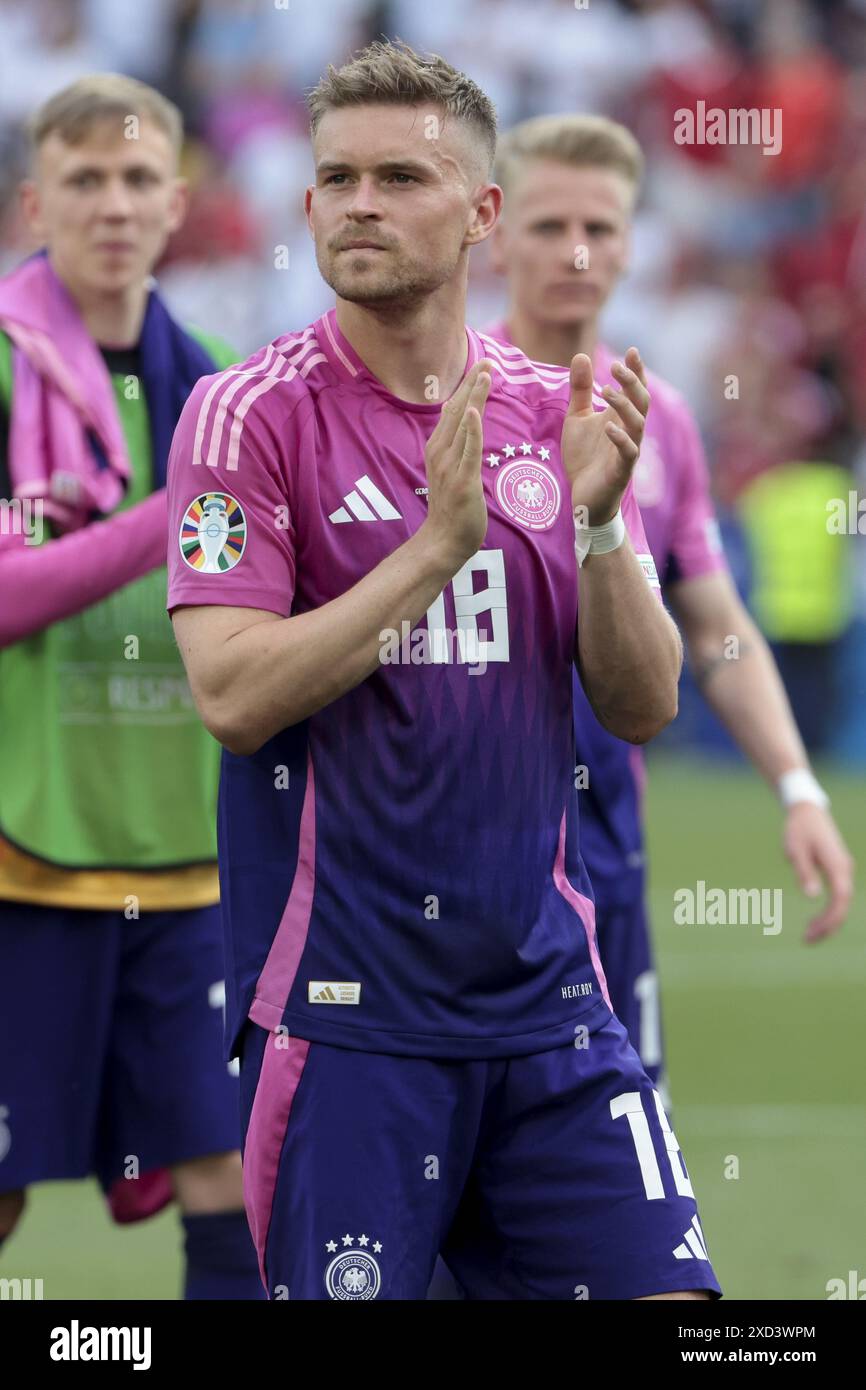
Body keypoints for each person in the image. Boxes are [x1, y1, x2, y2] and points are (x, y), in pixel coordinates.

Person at [167, 40, 720, 1301]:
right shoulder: (246, 416)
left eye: (399, 177)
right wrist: (434, 550)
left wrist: (593, 528)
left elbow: (642, 703)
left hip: (549, 1001)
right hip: (347, 1019)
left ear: (480, 215)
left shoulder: (553, 408)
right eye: (337, 178)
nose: (359, 202)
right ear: (305, 202)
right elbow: (234, 696)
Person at [486, 114, 854, 1098]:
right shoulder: (446, 402)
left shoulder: (658, 417)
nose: (576, 251)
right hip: (460, 853)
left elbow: (719, 628)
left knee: (609, 1183)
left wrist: (794, 786)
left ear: (630, 243)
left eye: (600, 228)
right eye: (546, 223)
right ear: (494, 232)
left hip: (603, 850)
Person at [0, 74, 263, 1300]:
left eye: (139, 179)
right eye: (86, 181)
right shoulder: (5, 372)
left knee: (228, 1173)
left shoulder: (209, 382)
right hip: (22, 844)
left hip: (183, 850)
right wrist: (170, 509)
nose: (114, 205)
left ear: (177, 204)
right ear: (33, 201)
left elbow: (222, 592)